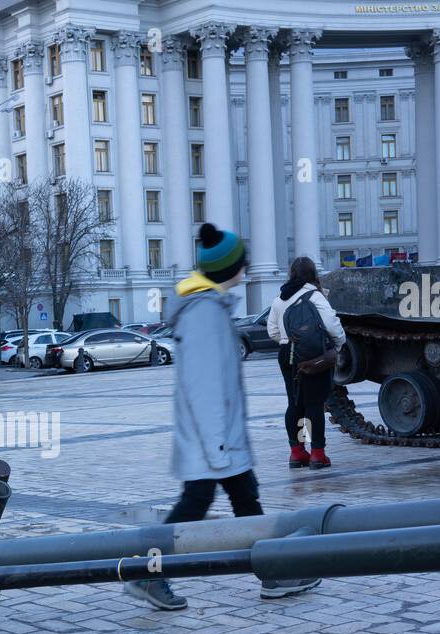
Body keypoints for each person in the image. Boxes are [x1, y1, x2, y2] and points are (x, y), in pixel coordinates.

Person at [124, 224, 321, 611]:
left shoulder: (209, 306)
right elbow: (204, 389)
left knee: (244, 502)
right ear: (228, 267)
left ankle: (274, 574)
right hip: (212, 442)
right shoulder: (203, 314)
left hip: (218, 441)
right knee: (198, 508)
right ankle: (149, 574)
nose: (246, 267)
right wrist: (218, 448)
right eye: (242, 262)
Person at [267, 257, 346, 469]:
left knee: (295, 403)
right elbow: (332, 324)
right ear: (312, 273)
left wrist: (289, 342)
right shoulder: (314, 295)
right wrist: (338, 345)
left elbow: (272, 331)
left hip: (287, 353)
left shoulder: (279, 299)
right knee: (313, 405)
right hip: (312, 354)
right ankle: (318, 454)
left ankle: (297, 452)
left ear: (292, 273)